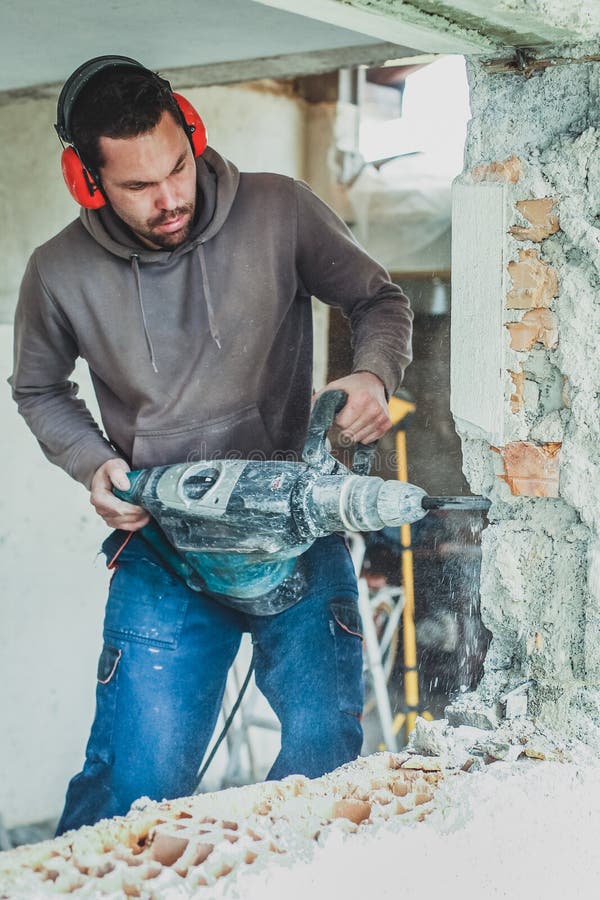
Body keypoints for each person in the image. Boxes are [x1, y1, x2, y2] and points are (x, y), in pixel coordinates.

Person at [10, 56, 413, 834]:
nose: (170, 199)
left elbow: (376, 299)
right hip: (167, 551)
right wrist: (93, 463)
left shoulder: (280, 209)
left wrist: (372, 375)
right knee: (135, 782)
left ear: (191, 133)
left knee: (325, 756)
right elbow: (38, 388)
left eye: (177, 168)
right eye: (137, 187)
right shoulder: (57, 273)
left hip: (297, 535)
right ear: (86, 181)